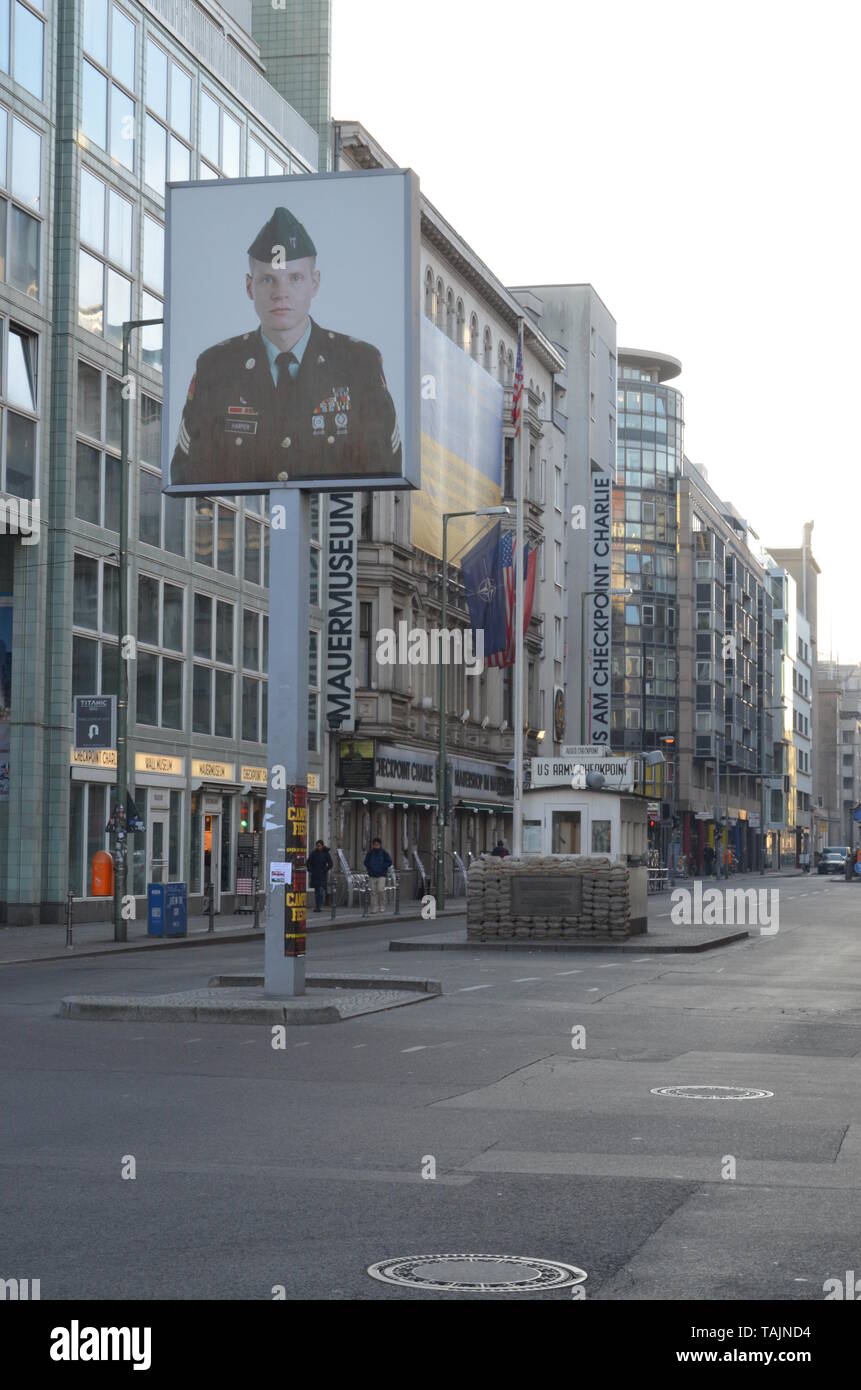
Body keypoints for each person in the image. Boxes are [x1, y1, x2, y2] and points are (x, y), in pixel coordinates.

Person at [170, 206, 402, 489]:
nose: (281, 293)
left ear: (314, 283)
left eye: (295, 278)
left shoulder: (358, 364)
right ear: (249, 286)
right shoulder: (216, 367)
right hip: (245, 528)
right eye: (268, 279)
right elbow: (187, 473)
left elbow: (385, 470)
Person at [363, 837, 392, 914]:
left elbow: (389, 862)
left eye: (377, 844)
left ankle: (382, 906)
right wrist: (370, 868)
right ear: (373, 845)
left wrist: (383, 867)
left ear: (380, 845)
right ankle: (374, 908)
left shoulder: (384, 853)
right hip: (372, 875)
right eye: (375, 844)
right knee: (373, 892)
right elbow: (365, 862)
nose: (376, 846)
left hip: (381, 875)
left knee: (380, 890)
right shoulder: (370, 853)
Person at [306, 839, 333, 913]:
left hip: (322, 875)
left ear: (322, 846)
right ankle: (317, 906)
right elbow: (308, 863)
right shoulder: (313, 853)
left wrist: (325, 869)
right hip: (315, 875)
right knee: (317, 891)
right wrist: (310, 870)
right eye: (317, 846)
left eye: (320, 846)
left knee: (321, 891)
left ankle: (319, 906)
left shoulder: (326, 853)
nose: (318, 847)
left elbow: (330, 864)